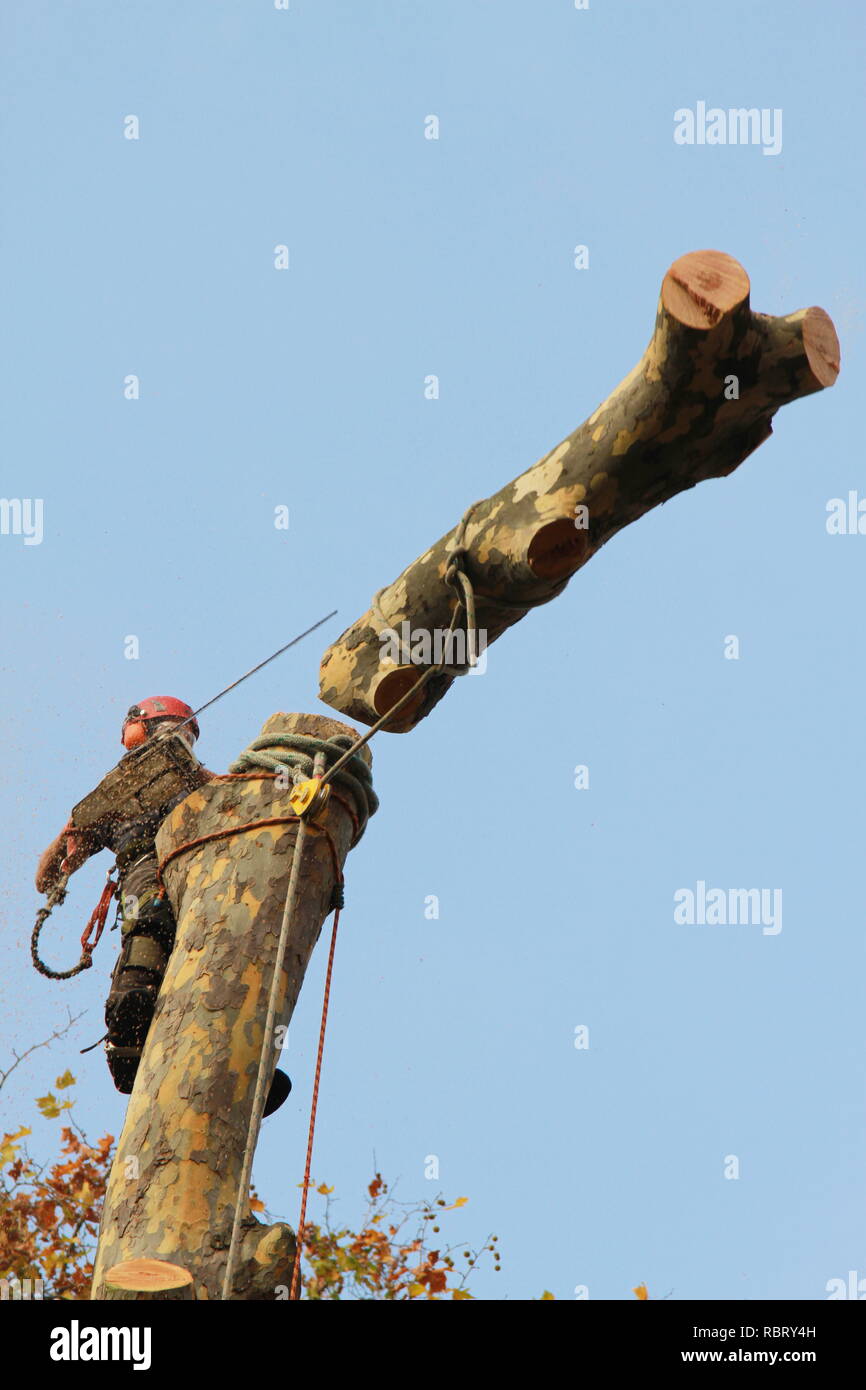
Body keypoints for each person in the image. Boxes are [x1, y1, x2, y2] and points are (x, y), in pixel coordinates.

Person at [36, 697, 290, 1116]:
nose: (182, 739)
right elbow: (45, 878)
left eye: (187, 733)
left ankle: (240, 1052)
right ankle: (129, 1031)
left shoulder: (206, 785)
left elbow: (251, 800)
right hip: (148, 879)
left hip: (211, 886)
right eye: (172, 730)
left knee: (230, 954)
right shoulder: (115, 800)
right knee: (150, 929)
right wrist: (70, 832)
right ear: (140, 732)